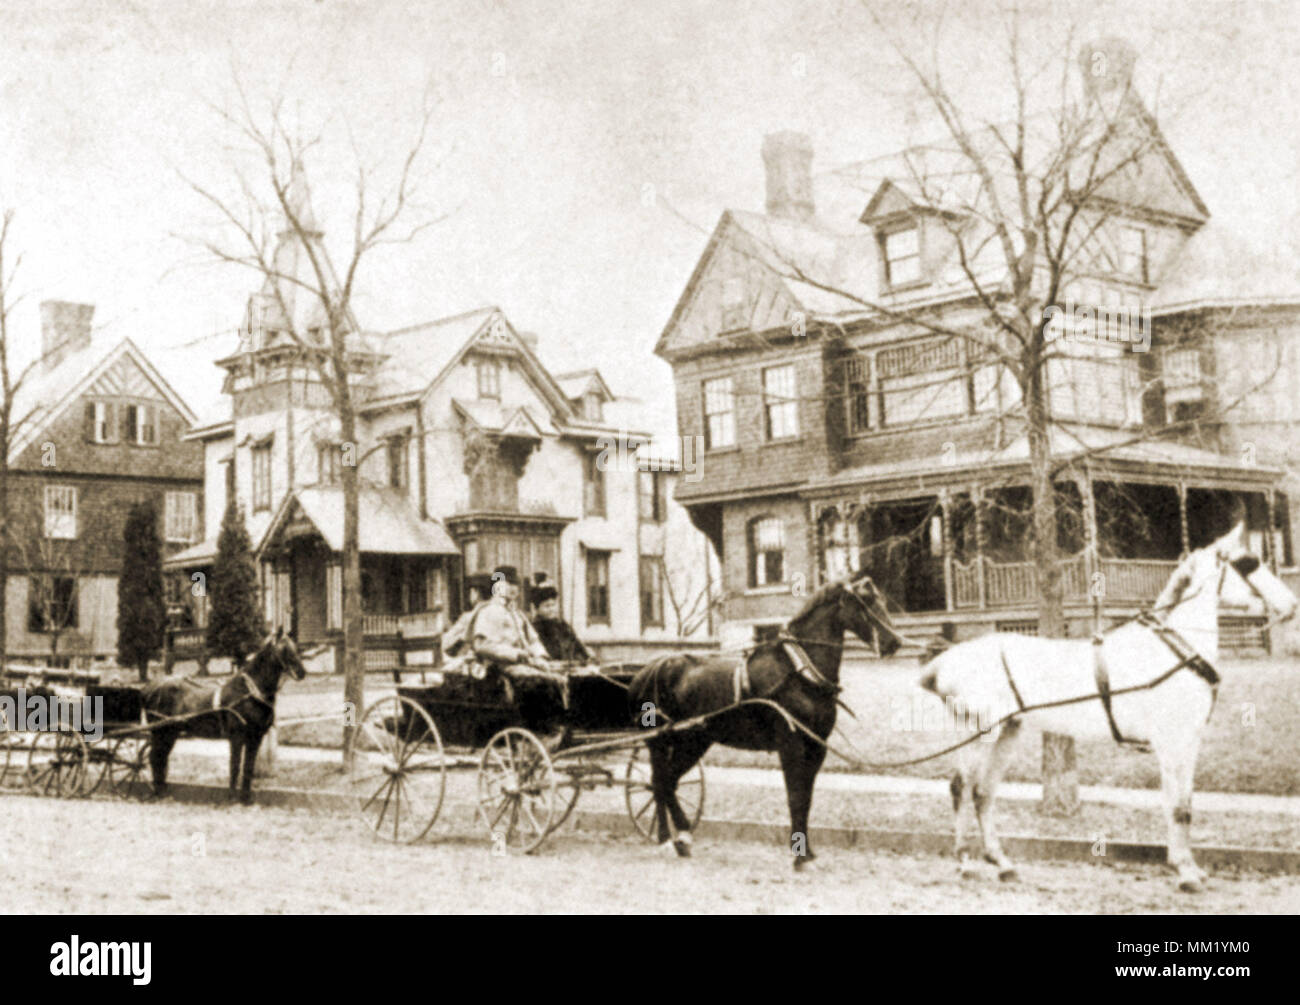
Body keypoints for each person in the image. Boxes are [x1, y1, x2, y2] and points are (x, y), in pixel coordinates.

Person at [471, 565, 570, 749]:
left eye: (516, 584)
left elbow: (533, 640)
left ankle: (557, 729)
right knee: (539, 681)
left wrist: (540, 657)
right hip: (499, 667)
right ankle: (537, 733)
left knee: (561, 678)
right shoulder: (490, 612)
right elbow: (481, 645)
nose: (514, 588)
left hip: (523, 664)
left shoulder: (517, 614)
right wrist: (515, 654)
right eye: (508, 583)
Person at [530, 576, 592, 663]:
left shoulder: (563, 625)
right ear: (537, 609)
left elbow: (576, 644)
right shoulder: (534, 628)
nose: (551, 609)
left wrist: (587, 656)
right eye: (547, 606)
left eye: (553, 605)